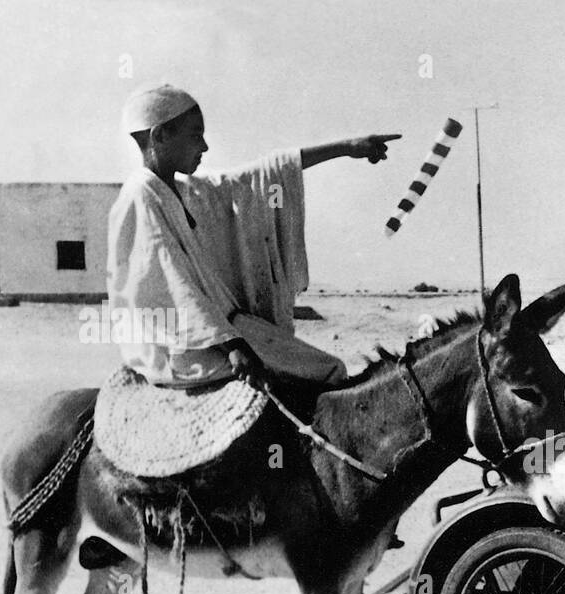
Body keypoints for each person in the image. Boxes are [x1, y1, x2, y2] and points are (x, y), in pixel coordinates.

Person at [108, 82, 401, 391]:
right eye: (196, 135)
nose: (204, 147)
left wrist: (347, 148)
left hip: (219, 332)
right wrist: (233, 346)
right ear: (159, 136)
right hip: (179, 347)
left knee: (329, 367)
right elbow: (171, 287)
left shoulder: (188, 192)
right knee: (325, 371)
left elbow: (260, 177)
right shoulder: (141, 196)